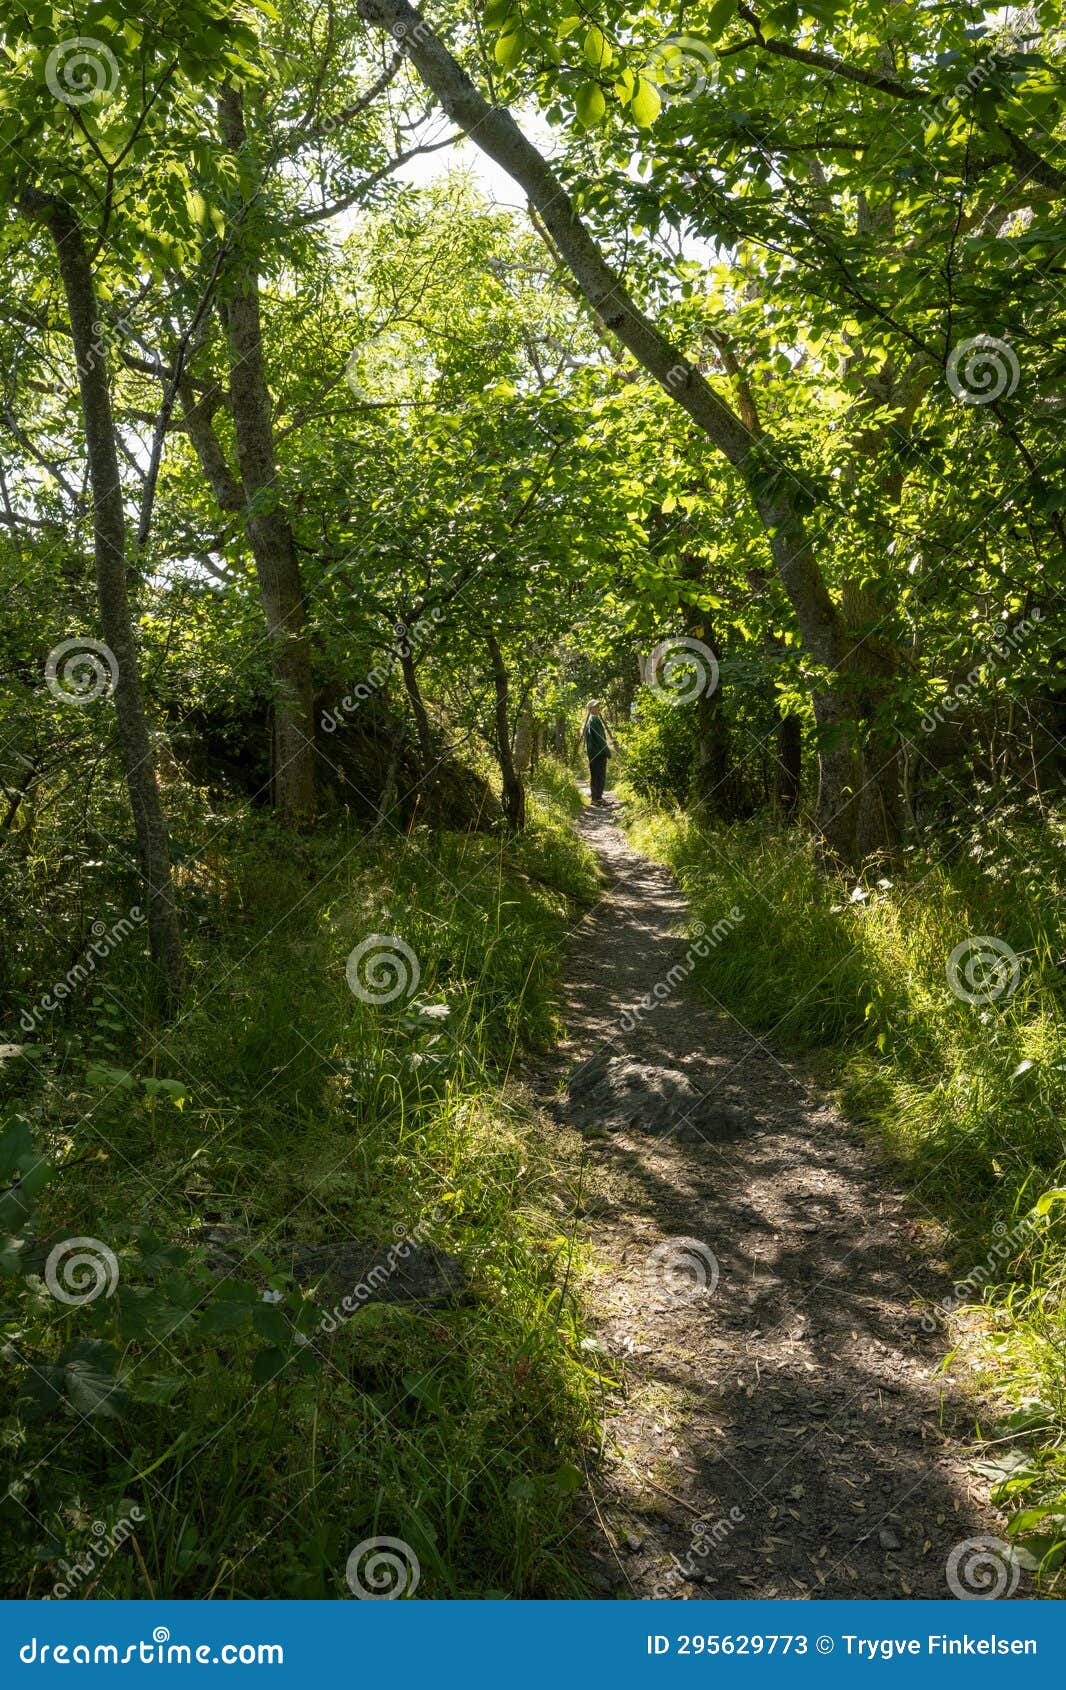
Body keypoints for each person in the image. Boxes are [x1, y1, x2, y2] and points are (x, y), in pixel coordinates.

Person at [582, 700, 615, 804]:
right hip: (598, 753)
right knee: (600, 776)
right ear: (590, 709)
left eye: (599, 706)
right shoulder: (594, 719)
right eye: (596, 706)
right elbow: (600, 738)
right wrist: (607, 751)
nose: (598, 708)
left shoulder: (590, 720)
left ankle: (595, 799)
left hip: (593, 753)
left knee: (595, 775)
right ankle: (598, 799)